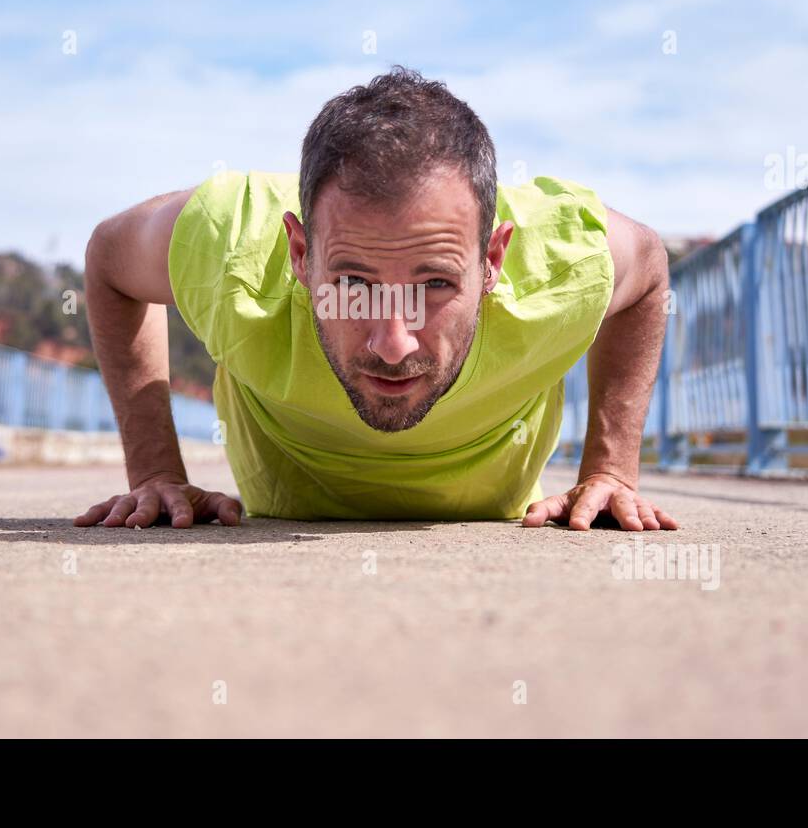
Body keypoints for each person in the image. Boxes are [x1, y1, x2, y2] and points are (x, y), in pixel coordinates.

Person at [75, 67, 678, 532]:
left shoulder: (559, 262)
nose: (393, 344)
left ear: (492, 261)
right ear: (301, 255)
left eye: (435, 284)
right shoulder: (232, 246)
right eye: (354, 284)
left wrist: (610, 467)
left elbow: (648, 265)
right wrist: (155, 472)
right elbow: (109, 260)